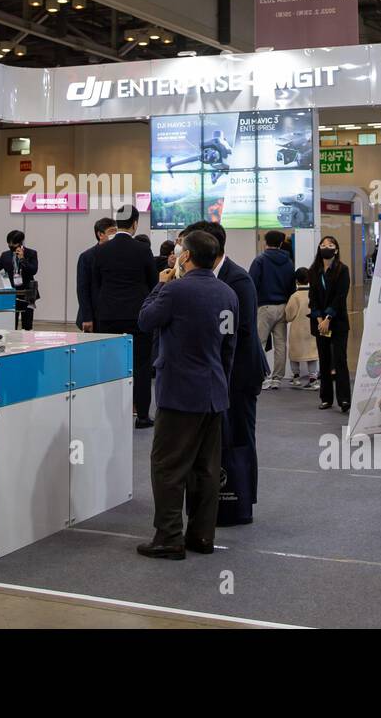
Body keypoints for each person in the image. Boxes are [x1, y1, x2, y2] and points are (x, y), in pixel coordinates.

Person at [135, 229, 237, 559]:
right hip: (214, 392)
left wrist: (160, 284)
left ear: (186, 257)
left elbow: (146, 320)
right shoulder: (228, 294)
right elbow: (228, 349)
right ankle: (202, 535)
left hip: (179, 393)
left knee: (167, 466)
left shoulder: (175, 291)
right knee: (206, 469)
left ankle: (168, 537)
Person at [187, 220, 266, 525]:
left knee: (241, 438)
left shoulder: (238, 280)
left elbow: (239, 331)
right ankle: (220, 497)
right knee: (220, 436)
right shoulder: (204, 278)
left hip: (241, 374)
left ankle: (243, 499)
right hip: (219, 372)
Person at [93, 205, 160, 428]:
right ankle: (141, 415)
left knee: (111, 365)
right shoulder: (142, 250)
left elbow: (96, 285)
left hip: (108, 316)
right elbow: (153, 283)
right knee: (140, 365)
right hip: (137, 315)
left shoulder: (101, 251)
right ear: (134, 223)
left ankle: (111, 411)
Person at [308, 235, 352, 411]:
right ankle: (326, 398)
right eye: (324, 244)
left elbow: (340, 297)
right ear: (319, 248)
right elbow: (313, 298)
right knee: (324, 359)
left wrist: (328, 318)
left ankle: (344, 399)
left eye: (331, 244)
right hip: (320, 324)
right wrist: (319, 319)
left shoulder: (343, 270)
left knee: (340, 359)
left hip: (337, 322)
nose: (327, 247)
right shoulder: (314, 271)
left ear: (336, 249)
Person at [250, 230, 296, 390]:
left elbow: (252, 284)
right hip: (282, 306)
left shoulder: (260, 260)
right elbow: (292, 286)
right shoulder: (289, 262)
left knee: (260, 343)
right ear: (281, 243)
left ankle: (262, 376)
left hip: (264, 307)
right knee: (280, 343)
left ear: (265, 242)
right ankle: (277, 378)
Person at [0, 229, 39, 330]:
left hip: (27, 293)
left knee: (27, 325)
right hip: (12, 293)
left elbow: (33, 270)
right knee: (12, 323)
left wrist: (22, 259)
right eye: (9, 244)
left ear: (20, 243)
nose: (11, 246)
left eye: (14, 244)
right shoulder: (5, 256)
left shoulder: (31, 253)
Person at [75, 216, 115, 332]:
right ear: (100, 234)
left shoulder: (117, 255)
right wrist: (87, 317)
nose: (114, 235)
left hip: (113, 313)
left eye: (116, 231)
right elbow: (83, 289)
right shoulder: (87, 257)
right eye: (111, 232)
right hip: (94, 314)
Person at [285, 267, 320, 389]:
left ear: (296, 281)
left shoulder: (295, 296)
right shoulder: (314, 294)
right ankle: (313, 379)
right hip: (312, 329)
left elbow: (289, 315)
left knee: (295, 353)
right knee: (312, 354)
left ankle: (296, 377)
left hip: (297, 331)